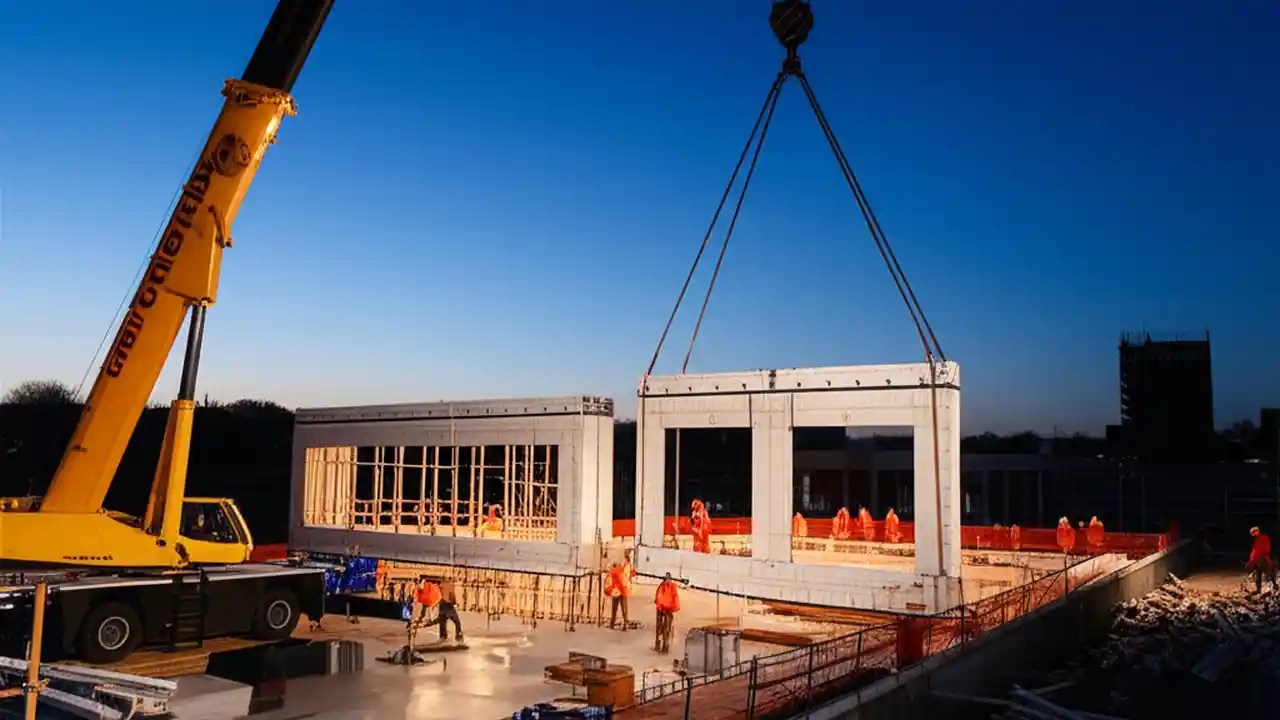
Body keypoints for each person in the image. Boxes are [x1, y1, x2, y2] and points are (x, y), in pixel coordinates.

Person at [654, 573, 680, 653]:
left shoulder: (667, 586)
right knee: (663, 627)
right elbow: (659, 597)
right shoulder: (667, 586)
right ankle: (662, 644)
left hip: (666, 609)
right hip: (664, 609)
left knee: (665, 627)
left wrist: (672, 608)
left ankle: (663, 644)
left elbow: (658, 598)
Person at [606, 561, 634, 629]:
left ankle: (612, 623)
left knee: (615, 606)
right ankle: (625, 623)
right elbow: (631, 574)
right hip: (623, 587)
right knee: (623, 605)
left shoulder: (615, 569)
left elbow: (610, 576)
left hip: (617, 588)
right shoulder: (627, 566)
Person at [1248, 527, 1276, 592]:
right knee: (1259, 574)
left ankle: (1274, 585)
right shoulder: (1257, 540)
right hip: (1259, 559)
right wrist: (1252, 560)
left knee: (1267, 573)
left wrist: (1257, 558)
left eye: (1254, 532)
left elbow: (1265, 549)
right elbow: (1255, 551)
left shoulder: (1263, 538)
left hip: (1263, 558)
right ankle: (1259, 589)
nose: (1253, 534)